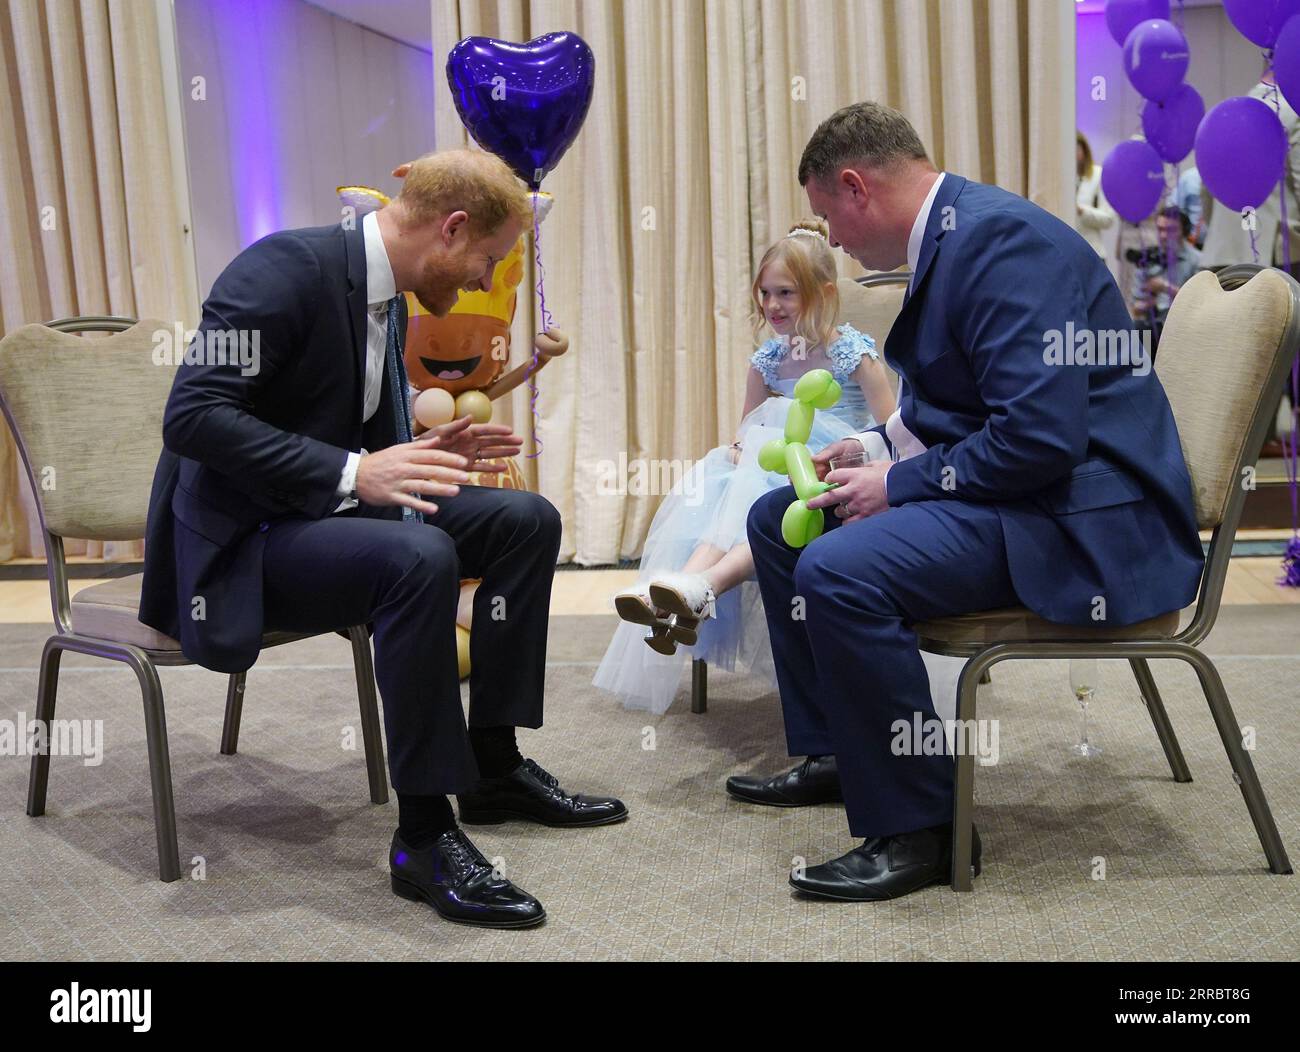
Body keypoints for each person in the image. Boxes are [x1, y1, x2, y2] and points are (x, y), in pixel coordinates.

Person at [139, 148, 627, 930]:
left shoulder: (388, 295)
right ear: (452, 227)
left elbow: (357, 433)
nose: (480, 280)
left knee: (522, 522)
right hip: (242, 540)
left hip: (318, 515)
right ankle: (424, 837)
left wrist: (425, 455)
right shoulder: (278, 270)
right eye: (485, 261)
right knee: (418, 558)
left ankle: (492, 767)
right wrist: (352, 471)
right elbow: (192, 415)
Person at [736, 102, 1203, 902]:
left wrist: (899, 484)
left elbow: (1040, 440)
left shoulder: (999, 243)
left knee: (842, 569)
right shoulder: (958, 235)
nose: (834, 241)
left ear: (856, 187)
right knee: (777, 526)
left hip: (1085, 520)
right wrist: (874, 451)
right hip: (1038, 493)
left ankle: (923, 829)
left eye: (827, 217)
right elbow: (968, 405)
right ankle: (840, 754)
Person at [593, 220, 895, 715]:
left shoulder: (853, 356)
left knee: (767, 462)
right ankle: (686, 590)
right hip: (769, 472)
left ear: (822, 294)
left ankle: (693, 588)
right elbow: (743, 430)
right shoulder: (767, 361)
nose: (773, 306)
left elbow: (891, 433)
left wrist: (830, 448)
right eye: (765, 293)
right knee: (746, 461)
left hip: (831, 475)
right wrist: (743, 447)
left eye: (787, 294)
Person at [1131, 205, 1201, 349]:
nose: (1163, 235)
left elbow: (1199, 303)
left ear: (1184, 231)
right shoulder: (1149, 259)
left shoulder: (1197, 260)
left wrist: (1164, 287)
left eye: (1170, 230)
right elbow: (1135, 309)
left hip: (1186, 327)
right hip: (1153, 326)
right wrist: (1146, 304)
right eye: (1160, 229)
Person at [1075, 130, 1116, 260]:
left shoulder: (1098, 175)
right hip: (1066, 255)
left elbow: (1108, 219)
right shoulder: (1057, 178)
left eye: (1076, 149)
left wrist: (1082, 211)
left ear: (1084, 150)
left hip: (1093, 254)